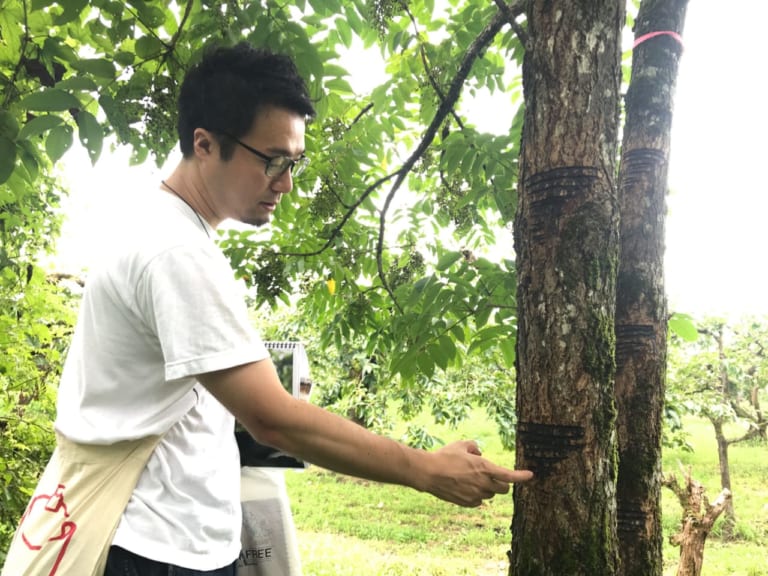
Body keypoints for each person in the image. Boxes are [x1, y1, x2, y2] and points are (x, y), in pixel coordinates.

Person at [21, 42, 533, 575]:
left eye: (294, 163)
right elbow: (273, 420)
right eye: (273, 160)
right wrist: (426, 469)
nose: (286, 182)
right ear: (205, 143)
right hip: (154, 549)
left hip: (154, 536)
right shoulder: (175, 251)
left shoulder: (160, 227)